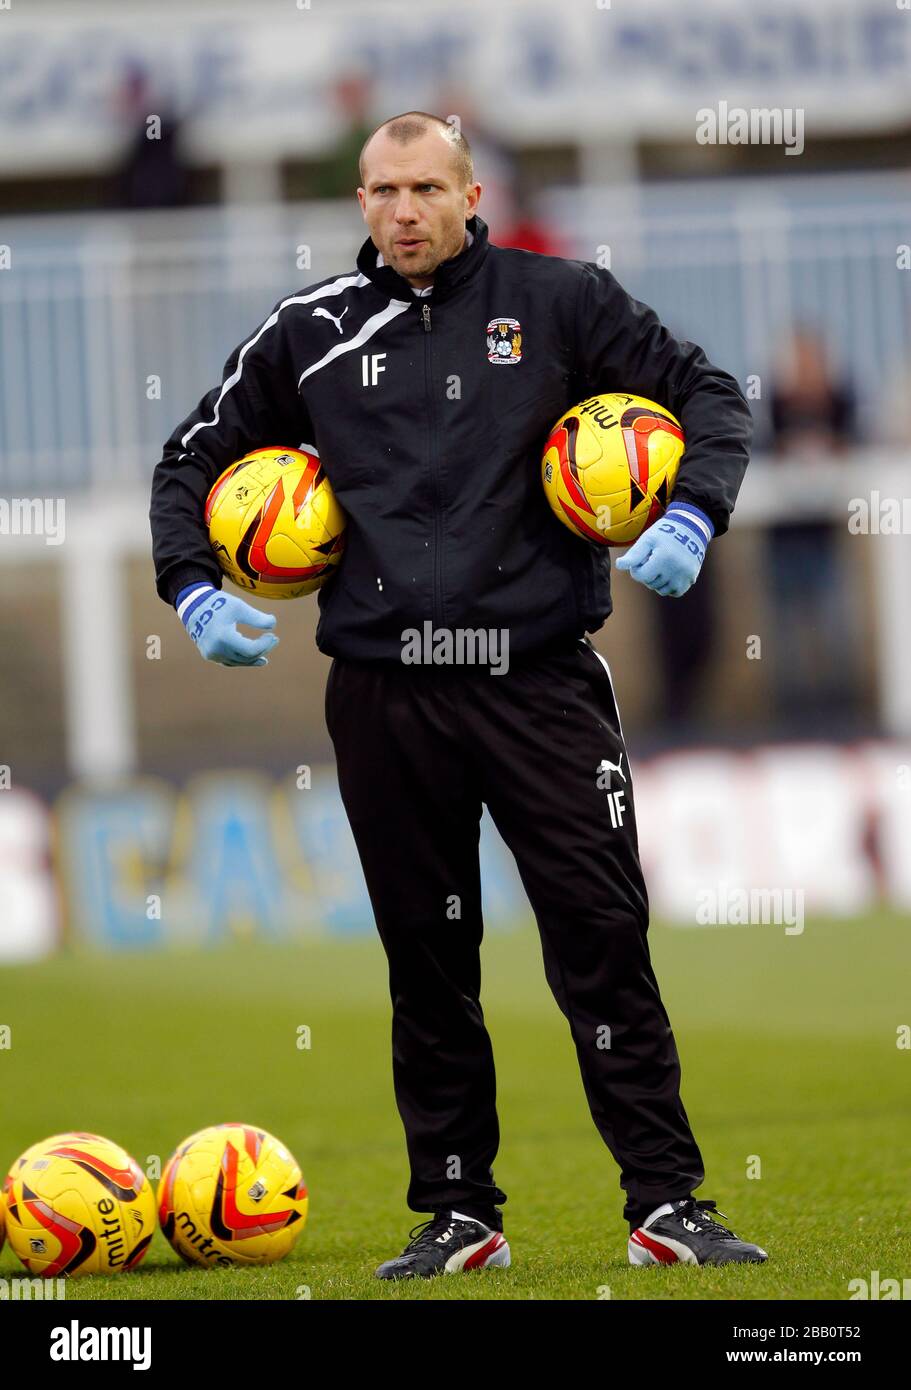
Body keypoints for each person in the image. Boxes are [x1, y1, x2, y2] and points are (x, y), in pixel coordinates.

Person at [150, 112, 766, 1278]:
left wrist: (692, 509)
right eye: (383, 191)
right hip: (386, 697)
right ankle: (457, 1212)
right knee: (426, 960)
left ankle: (664, 1203)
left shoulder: (562, 302)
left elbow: (709, 394)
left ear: (471, 192)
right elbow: (189, 460)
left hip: (537, 684)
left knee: (600, 937)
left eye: (427, 188)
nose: (405, 211)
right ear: (361, 203)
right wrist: (189, 588)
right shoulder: (311, 334)